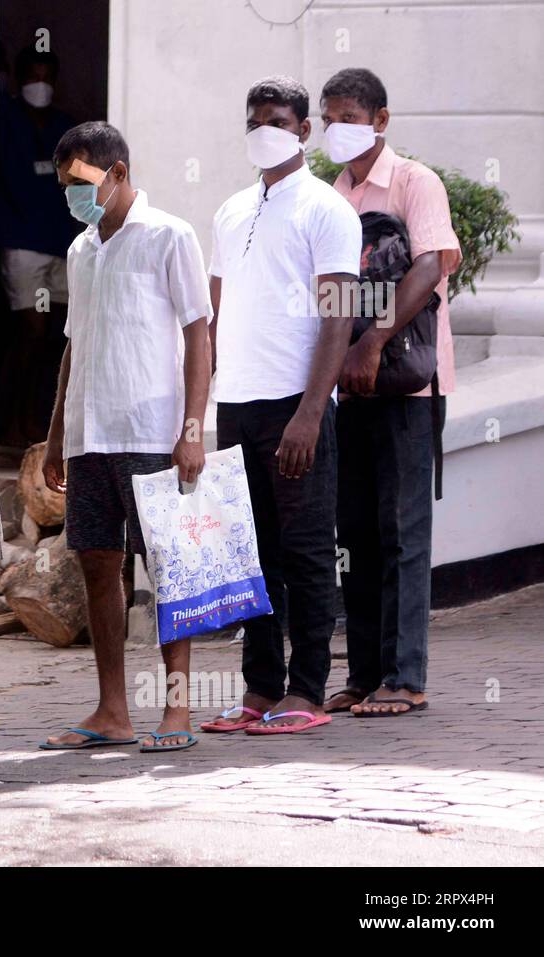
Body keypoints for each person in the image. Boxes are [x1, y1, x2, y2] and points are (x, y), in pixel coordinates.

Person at [40, 122, 212, 754]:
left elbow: (199, 335)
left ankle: (177, 709)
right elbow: (73, 346)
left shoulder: (170, 235)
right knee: (96, 565)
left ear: (116, 172)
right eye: (64, 185)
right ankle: (113, 710)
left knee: (167, 567)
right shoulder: (82, 251)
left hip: (151, 429)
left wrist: (192, 429)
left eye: (79, 182)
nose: (72, 196)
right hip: (91, 431)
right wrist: (57, 433)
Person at [199, 76, 361, 736]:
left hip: (296, 405)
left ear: (303, 131)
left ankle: (309, 689)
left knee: (304, 552)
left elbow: (339, 318)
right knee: (250, 556)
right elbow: (211, 313)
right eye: (254, 119)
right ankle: (259, 690)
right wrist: (203, 406)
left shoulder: (327, 210)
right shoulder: (230, 210)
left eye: (279, 120)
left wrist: (311, 411)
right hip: (235, 404)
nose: (264, 129)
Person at [318, 68, 461, 718]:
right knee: (360, 532)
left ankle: (405, 676)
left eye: (348, 115)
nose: (335, 128)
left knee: (403, 531)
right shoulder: (333, 196)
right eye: (328, 116)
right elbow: (329, 288)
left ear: (380, 119)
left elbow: (430, 263)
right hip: (350, 388)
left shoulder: (414, 182)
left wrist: (373, 343)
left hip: (408, 385)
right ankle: (366, 673)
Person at [0, 47, 79, 444]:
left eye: (46, 76)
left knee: (56, 338)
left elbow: (87, 174)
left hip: (62, 244)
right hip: (23, 243)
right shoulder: (5, 119)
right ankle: (11, 422)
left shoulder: (64, 126)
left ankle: (43, 426)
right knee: (30, 330)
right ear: (19, 78)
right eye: (32, 76)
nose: (39, 85)